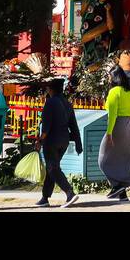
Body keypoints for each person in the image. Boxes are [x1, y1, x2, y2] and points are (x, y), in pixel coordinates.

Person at [35, 79, 81, 208]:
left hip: (51, 140)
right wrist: (78, 143)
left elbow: (46, 127)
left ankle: (69, 193)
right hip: (64, 141)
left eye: (48, 88)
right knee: (53, 167)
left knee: (52, 167)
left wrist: (39, 141)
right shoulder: (67, 103)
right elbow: (74, 126)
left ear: (51, 89)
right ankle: (45, 197)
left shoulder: (50, 103)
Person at [98, 68, 130, 201]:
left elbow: (113, 114)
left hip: (118, 126)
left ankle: (117, 185)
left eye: (110, 76)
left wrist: (109, 133)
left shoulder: (114, 92)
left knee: (103, 160)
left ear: (114, 77)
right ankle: (122, 193)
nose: (109, 79)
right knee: (122, 160)